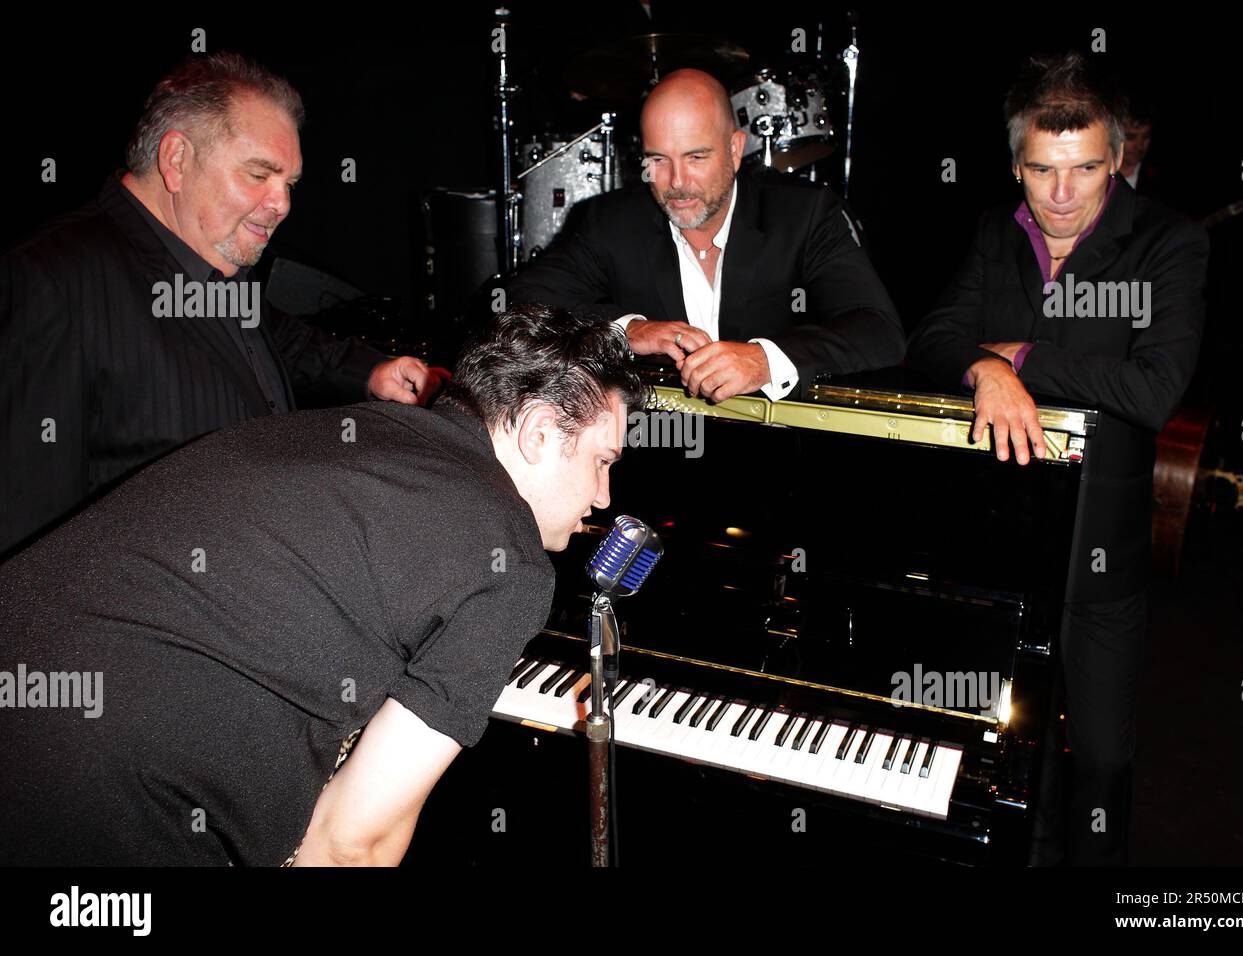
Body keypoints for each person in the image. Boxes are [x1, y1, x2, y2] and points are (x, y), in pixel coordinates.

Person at [0, 304, 645, 866]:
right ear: (536, 433)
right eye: (601, 462)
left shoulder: (352, 429)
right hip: (91, 787)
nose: (603, 497)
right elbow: (348, 845)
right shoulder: (511, 556)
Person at [905, 52, 1209, 865]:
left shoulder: (1169, 243)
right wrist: (986, 368)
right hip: (995, 547)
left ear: (1115, 160)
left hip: (1100, 558)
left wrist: (1024, 357)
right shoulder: (991, 232)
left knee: (1101, 761)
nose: (1063, 195)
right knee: (1006, 752)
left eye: (1083, 170)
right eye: (1042, 172)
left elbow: (1152, 390)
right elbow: (930, 339)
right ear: (1017, 164)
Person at [0, 52, 445, 559]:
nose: (283, 204)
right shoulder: (51, 282)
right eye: (259, 175)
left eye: (289, 184)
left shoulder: (201, 256)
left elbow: (269, 333)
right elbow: (27, 543)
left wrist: (371, 372)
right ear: (176, 161)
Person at [507, 68, 904, 404]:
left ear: (735, 150)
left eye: (696, 157)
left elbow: (879, 330)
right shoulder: (612, 221)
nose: (677, 183)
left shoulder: (803, 214)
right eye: (658, 160)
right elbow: (520, 300)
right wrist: (628, 330)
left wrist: (764, 359)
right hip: (655, 454)